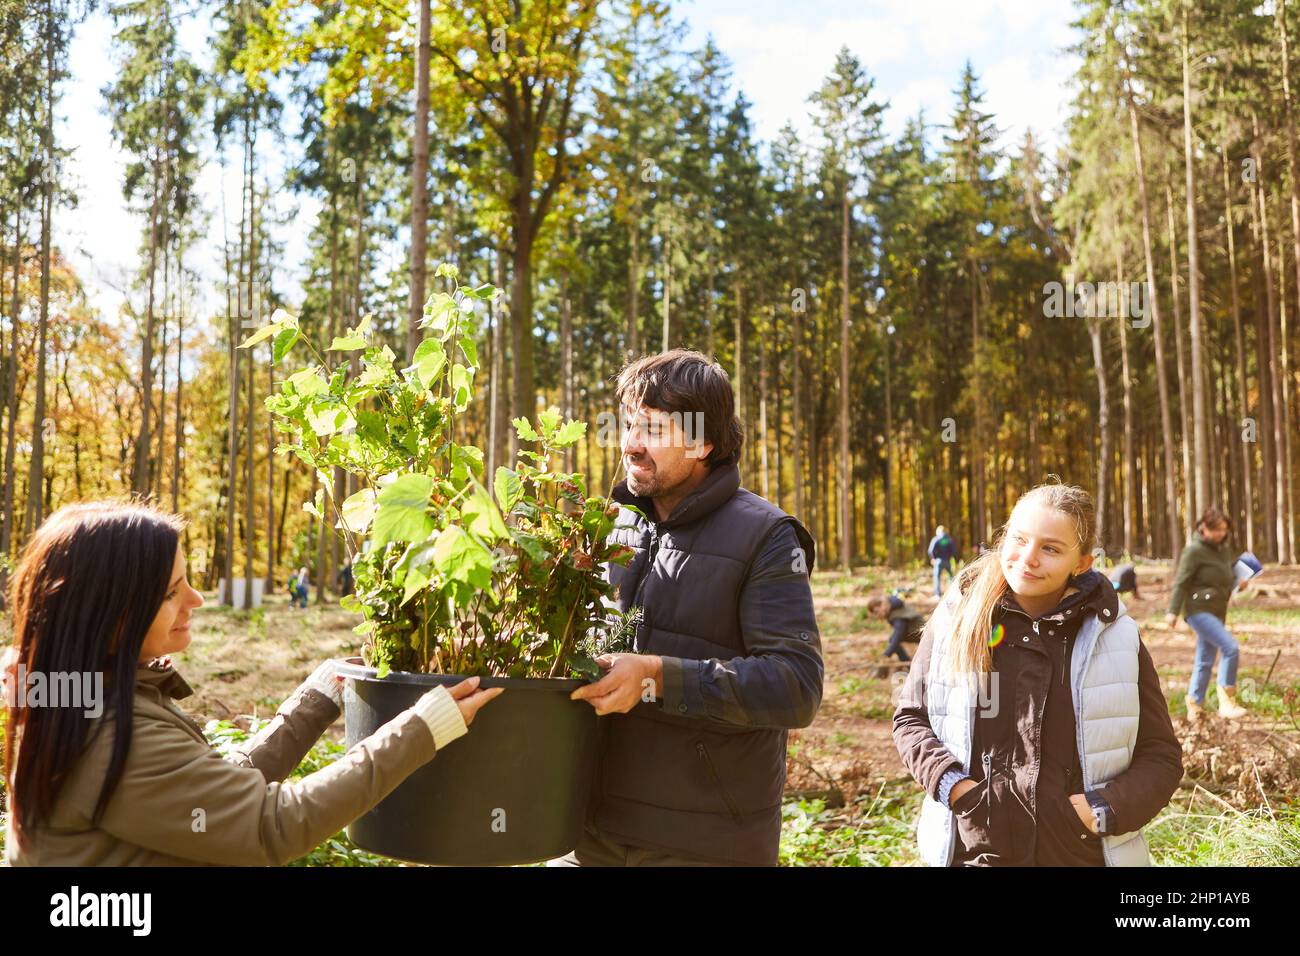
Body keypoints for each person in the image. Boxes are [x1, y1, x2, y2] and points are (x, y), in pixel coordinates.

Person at [1, 500, 502, 865]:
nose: (196, 601)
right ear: (112, 613)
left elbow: (219, 795)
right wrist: (422, 728)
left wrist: (316, 698)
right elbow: (267, 824)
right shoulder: (109, 732)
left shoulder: (83, 695)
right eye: (173, 592)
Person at [556, 349, 823, 866]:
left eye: (652, 429)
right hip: (587, 830)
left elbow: (796, 686)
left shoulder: (766, 537)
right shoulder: (613, 526)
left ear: (703, 442)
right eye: (629, 424)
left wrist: (657, 676)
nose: (630, 443)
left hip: (703, 841)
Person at [893, 481, 1182, 866]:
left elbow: (1161, 755)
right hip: (975, 853)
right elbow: (911, 719)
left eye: (1050, 548)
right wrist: (955, 788)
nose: (1028, 558)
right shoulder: (955, 620)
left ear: (1081, 562)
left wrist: (1099, 809)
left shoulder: (1114, 635)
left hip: (1077, 856)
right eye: (1019, 539)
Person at [1165, 507, 1251, 722]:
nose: (1221, 534)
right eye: (1216, 530)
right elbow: (1181, 582)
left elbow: (1224, 580)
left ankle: (1195, 707)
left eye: (1224, 529)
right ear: (1203, 528)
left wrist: (1239, 584)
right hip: (1198, 610)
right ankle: (1227, 702)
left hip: (1218, 611)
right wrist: (1172, 612)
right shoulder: (1193, 551)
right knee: (1230, 647)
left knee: (1204, 660)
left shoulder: (1223, 550)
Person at [867, 593, 925, 662]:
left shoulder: (897, 616)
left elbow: (898, 635)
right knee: (893, 640)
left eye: (877, 611)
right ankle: (906, 662)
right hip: (918, 632)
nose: (878, 615)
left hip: (923, 634)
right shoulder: (892, 605)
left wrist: (886, 654)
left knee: (894, 641)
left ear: (882, 605)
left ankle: (906, 663)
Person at [927, 525, 958, 597]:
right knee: (950, 577)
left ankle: (937, 594)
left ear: (938, 532)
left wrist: (933, 558)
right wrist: (954, 562)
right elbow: (954, 552)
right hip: (947, 561)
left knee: (937, 577)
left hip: (938, 561)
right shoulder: (949, 540)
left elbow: (930, 551)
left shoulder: (936, 539)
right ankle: (952, 593)